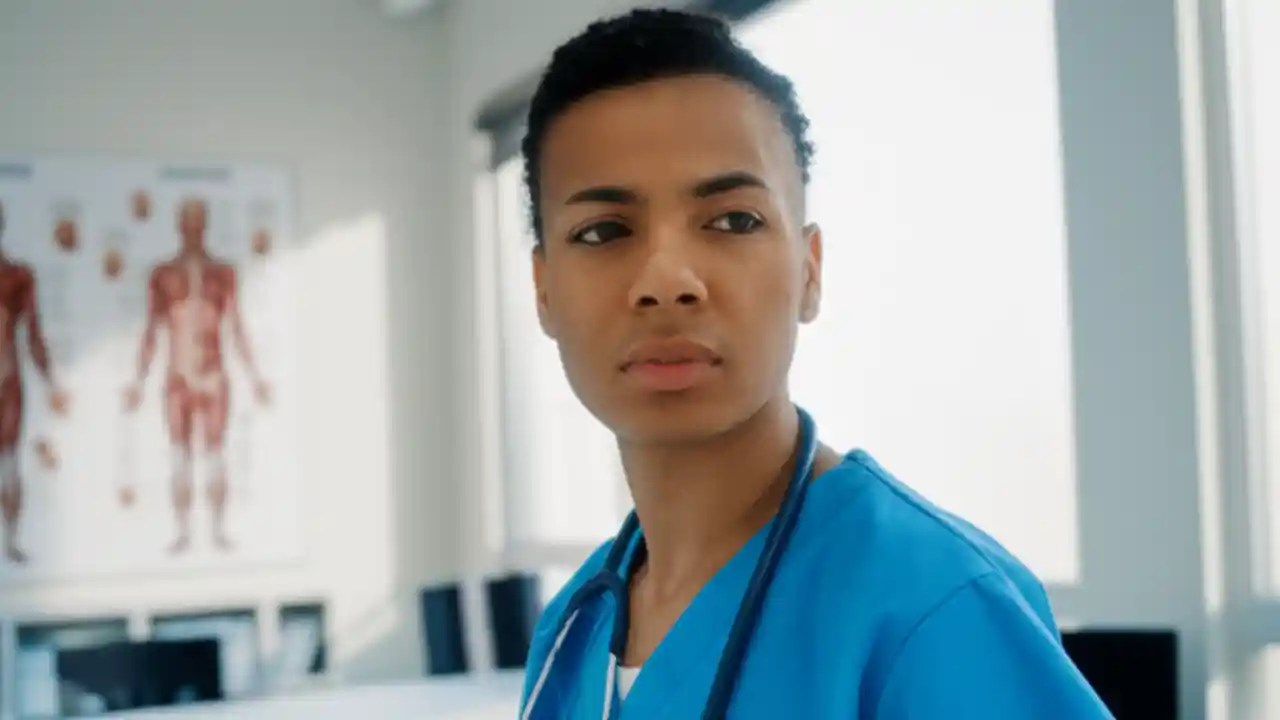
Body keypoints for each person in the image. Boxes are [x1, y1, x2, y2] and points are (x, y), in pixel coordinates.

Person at [517, 9, 1112, 719]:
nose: (668, 279)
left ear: (809, 270)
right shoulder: (572, 631)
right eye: (604, 231)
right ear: (544, 291)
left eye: (733, 220)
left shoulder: (933, 607)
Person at [123, 198, 270, 554]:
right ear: (179, 225)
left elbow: (236, 326)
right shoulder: (162, 275)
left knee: (216, 453)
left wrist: (255, 377)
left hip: (213, 374)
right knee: (180, 455)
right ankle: (183, 532)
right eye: (187, 221)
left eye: (198, 221)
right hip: (177, 375)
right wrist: (138, 381)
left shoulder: (223, 273)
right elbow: (152, 330)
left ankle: (218, 531)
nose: (192, 228)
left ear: (205, 225)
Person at [0, 200, 69, 563]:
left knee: (10, 462)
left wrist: (52, 381)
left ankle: (10, 541)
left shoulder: (18, 276)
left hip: (7, 379)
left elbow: (34, 335)